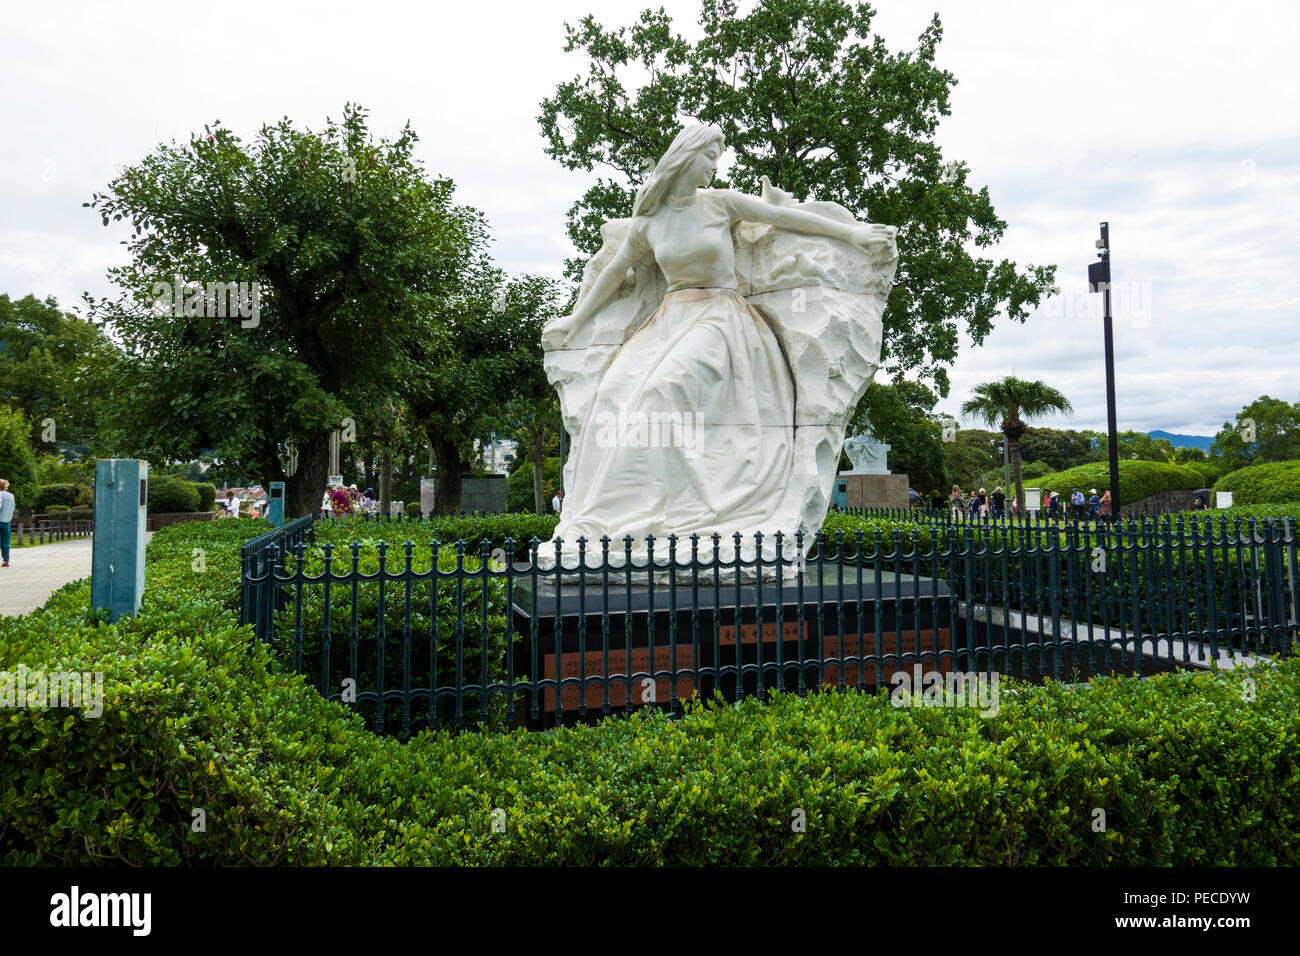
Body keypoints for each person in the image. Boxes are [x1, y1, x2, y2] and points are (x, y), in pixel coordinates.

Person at [542, 122, 894, 557]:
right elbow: (616, 272)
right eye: (710, 156)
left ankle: (662, 515)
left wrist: (853, 235)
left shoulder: (720, 204)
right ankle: (607, 518)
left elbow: (785, 218)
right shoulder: (649, 221)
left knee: (661, 390)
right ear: (687, 156)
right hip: (669, 318)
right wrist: (575, 321)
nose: (714, 166)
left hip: (721, 319)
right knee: (613, 395)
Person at [0, 478, 15, 567]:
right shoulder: (11, 495)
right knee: (6, 541)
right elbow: (13, 507)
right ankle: (6, 560)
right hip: (7, 521)